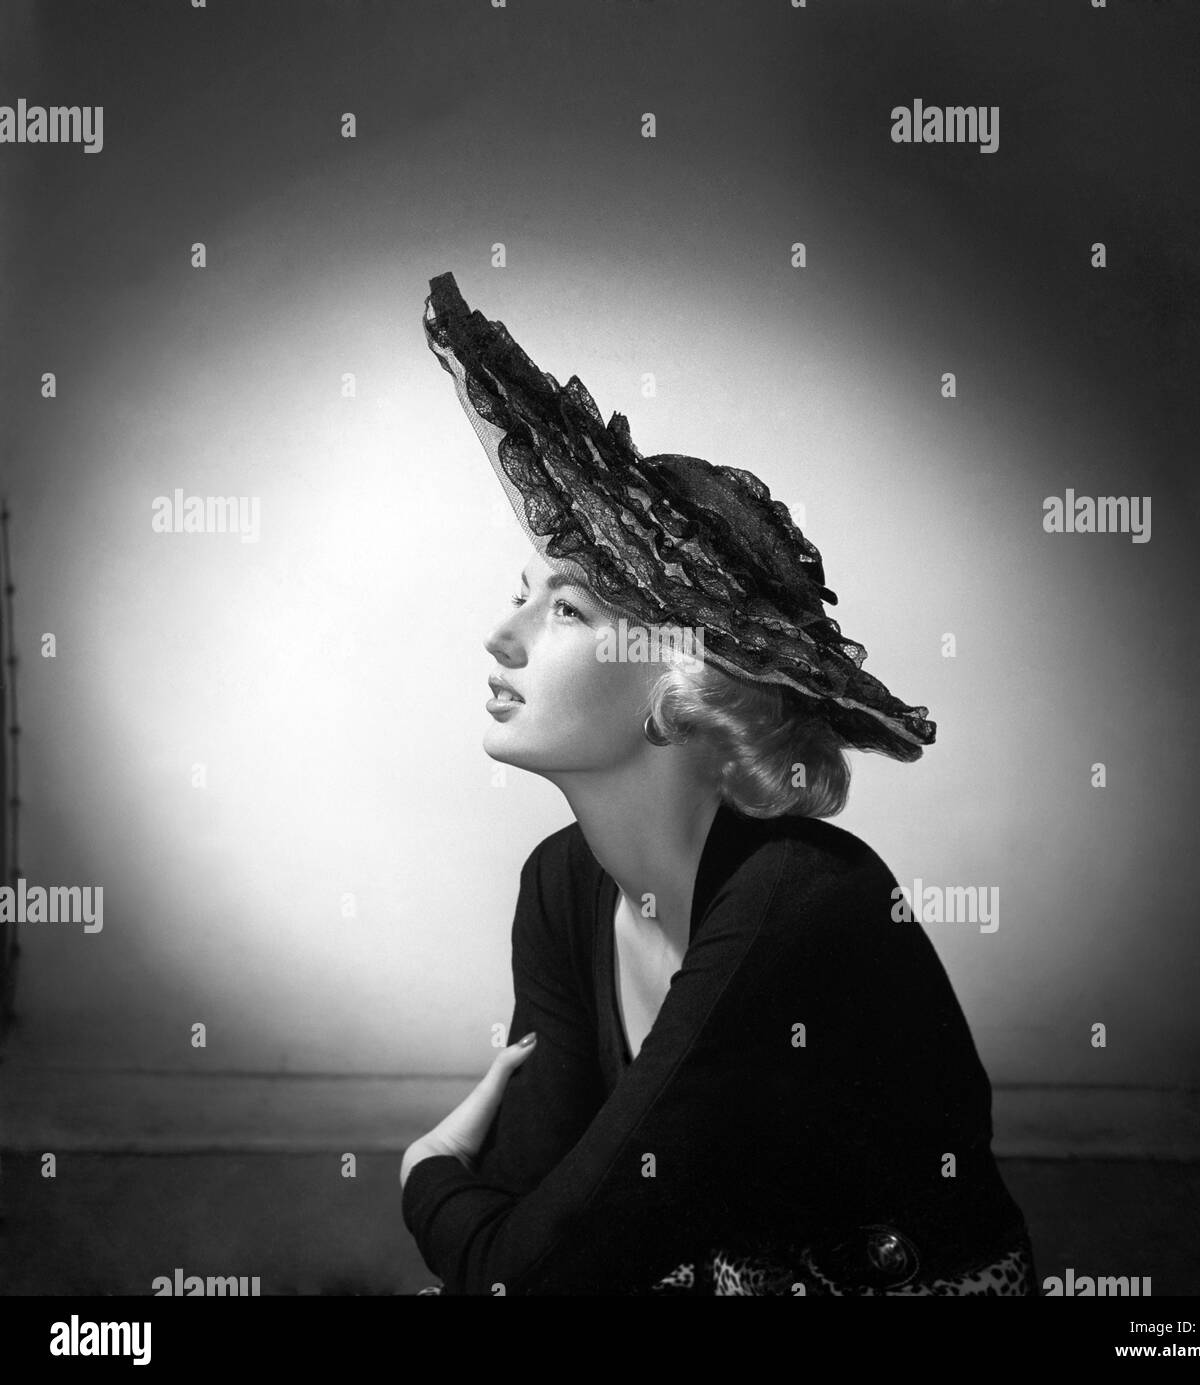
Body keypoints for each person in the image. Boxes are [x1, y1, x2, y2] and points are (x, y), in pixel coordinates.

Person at [400, 271, 1036, 1296]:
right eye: (521, 594)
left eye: (564, 612)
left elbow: (529, 1267)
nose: (500, 634)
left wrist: (423, 1173)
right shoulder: (561, 885)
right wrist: (486, 1229)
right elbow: (535, 1208)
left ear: (677, 690)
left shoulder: (801, 900)